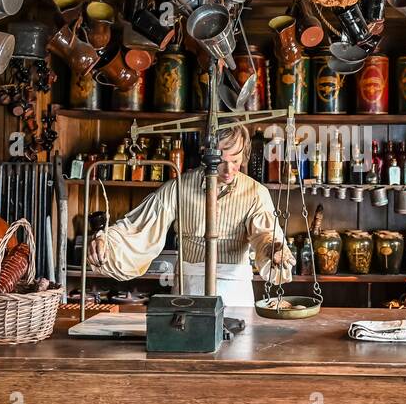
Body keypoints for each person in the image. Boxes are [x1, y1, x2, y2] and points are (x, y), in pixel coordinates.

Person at [87, 124, 294, 306]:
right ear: (206, 152)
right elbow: (138, 227)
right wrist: (106, 242)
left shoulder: (256, 193)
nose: (228, 169)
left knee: (236, 349)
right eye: (220, 161)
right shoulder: (179, 187)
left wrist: (275, 248)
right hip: (188, 289)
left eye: (236, 160)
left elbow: (266, 234)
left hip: (235, 294)